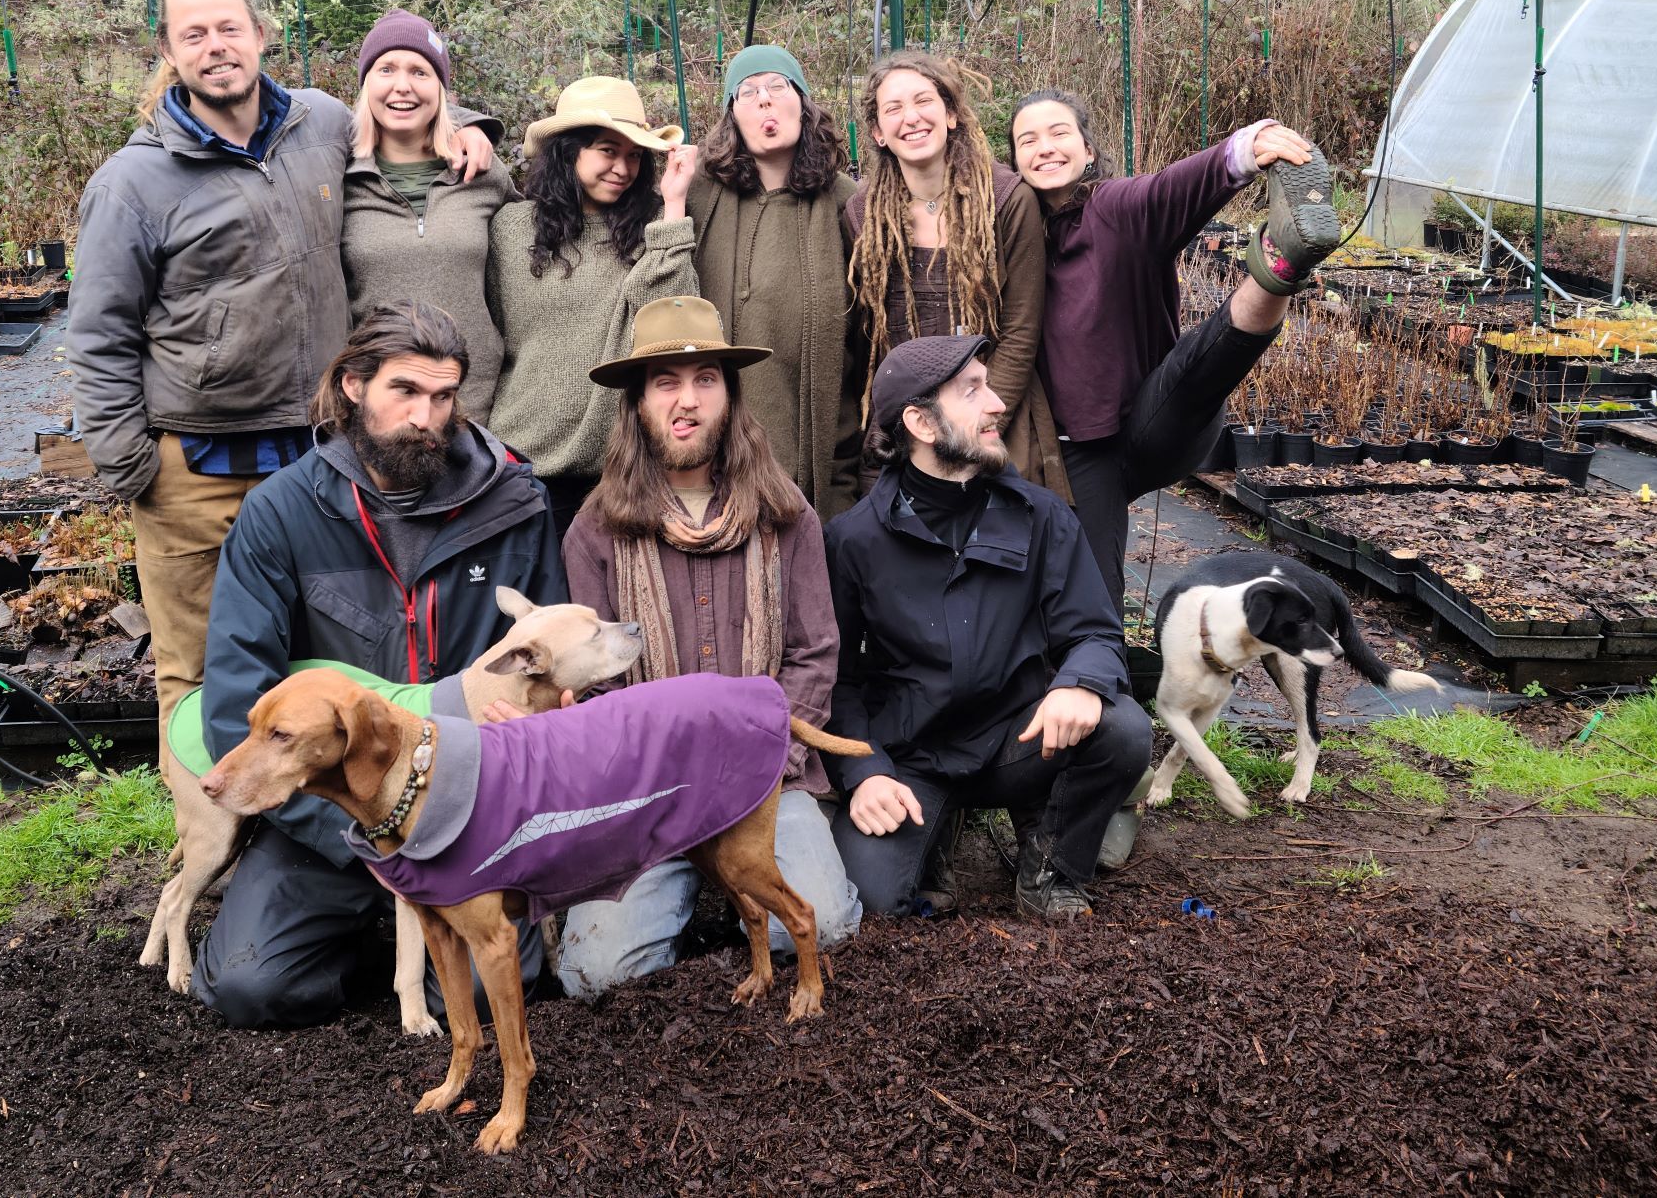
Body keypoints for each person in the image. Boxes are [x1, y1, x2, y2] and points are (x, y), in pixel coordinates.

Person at [70, 0, 493, 730]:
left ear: (260, 36)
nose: (215, 47)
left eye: (229, 28)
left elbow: (402, 112)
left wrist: (469, 129)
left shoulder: (319, 124)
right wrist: (134, 467)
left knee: (330, 658)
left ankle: (327, 839)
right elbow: (98, 335)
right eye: (193, 34)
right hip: (199, 470)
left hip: (319, 457)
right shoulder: (132, 183)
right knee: (202, 680)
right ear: (168, 50)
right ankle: (215, 845)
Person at [190, 301, 565, 1030]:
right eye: (406, 392)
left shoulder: (515, 503)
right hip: (335, 823)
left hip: (469, 817)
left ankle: (416, 948)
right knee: (251, 989)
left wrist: (534, 719)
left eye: (444, 396)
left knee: (491, 998)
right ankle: (367, 935)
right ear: (354, 386)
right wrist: (358, 834)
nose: (426, 416)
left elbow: (550, 667)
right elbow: (236, 694)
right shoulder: (280, 513)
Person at [551, 294, 862, 996]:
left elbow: (814, 654)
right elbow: (595, 684)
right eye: (665, 382)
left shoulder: (786, 515)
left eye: (703, 381)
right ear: (636, 403)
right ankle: (696, 904)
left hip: (764, 783)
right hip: (647, 792)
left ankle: (742, 903)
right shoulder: (596, 531)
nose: (685, 401)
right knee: (598, 975)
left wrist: (761, 759)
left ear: (729, 396)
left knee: (824, 927)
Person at [824, 334, 1154, 922]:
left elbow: (1097, 635)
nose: (998, 402)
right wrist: (865, 773)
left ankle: (1050, 866)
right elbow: (837, 682)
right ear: (921, 422)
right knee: (873, 903)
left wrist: (1077, 682)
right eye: (972, 390)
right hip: (914, 756)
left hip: (1017, 742)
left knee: (1122, 727)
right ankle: (939, 829)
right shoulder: (853, 541)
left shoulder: (1041, 515)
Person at [1008, 90, 1337, 604]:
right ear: (1014, 163)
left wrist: (1248, 147)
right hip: (1077, 454)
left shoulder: (1112, 208)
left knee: (1195, 368)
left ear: (1088, 150)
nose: (1044, 147)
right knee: (1089, 592)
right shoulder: (1012, 233)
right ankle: (1098, 678)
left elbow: (1168, 189)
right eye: (1027, 140)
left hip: (1153, 423)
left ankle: (1280, 264)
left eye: (1058, 133)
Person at [486, 76, 701, 534]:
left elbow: (675, 324)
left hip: (624, 473)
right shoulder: (511, 230)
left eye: (635, 155)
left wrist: (675, 204)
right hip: (522, 467)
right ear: (569, 152)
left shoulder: (654, 230)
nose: (623, 168)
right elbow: (492, 339)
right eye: (608, 150)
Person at [844, 51, 1063, 497]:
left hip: (994, 414)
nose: (911, 118)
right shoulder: (862, 212)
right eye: (893, 109)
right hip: (904, 427)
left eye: (924, 101)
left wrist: (975, 424)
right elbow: (869, 337)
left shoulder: (1005, 200)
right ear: (877, 132)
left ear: (949, 114)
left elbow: (1021, 331)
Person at [688, 44, 862, 520]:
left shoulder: (848, 203)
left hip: (824, 467)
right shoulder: (696, 197)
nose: (763, 99)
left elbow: (873, 334)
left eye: (776, 86)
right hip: (714, 464)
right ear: (732, 117)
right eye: (747, 92)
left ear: (803, 104)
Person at [341, 9, 514, 421]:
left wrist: (472, 126)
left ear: (442, 90)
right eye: (386, 69)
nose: (403, 86)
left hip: (473, 403)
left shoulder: (483, 174)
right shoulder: (336, 176)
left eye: (420, 72)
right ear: (366, 86)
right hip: (377, 411)